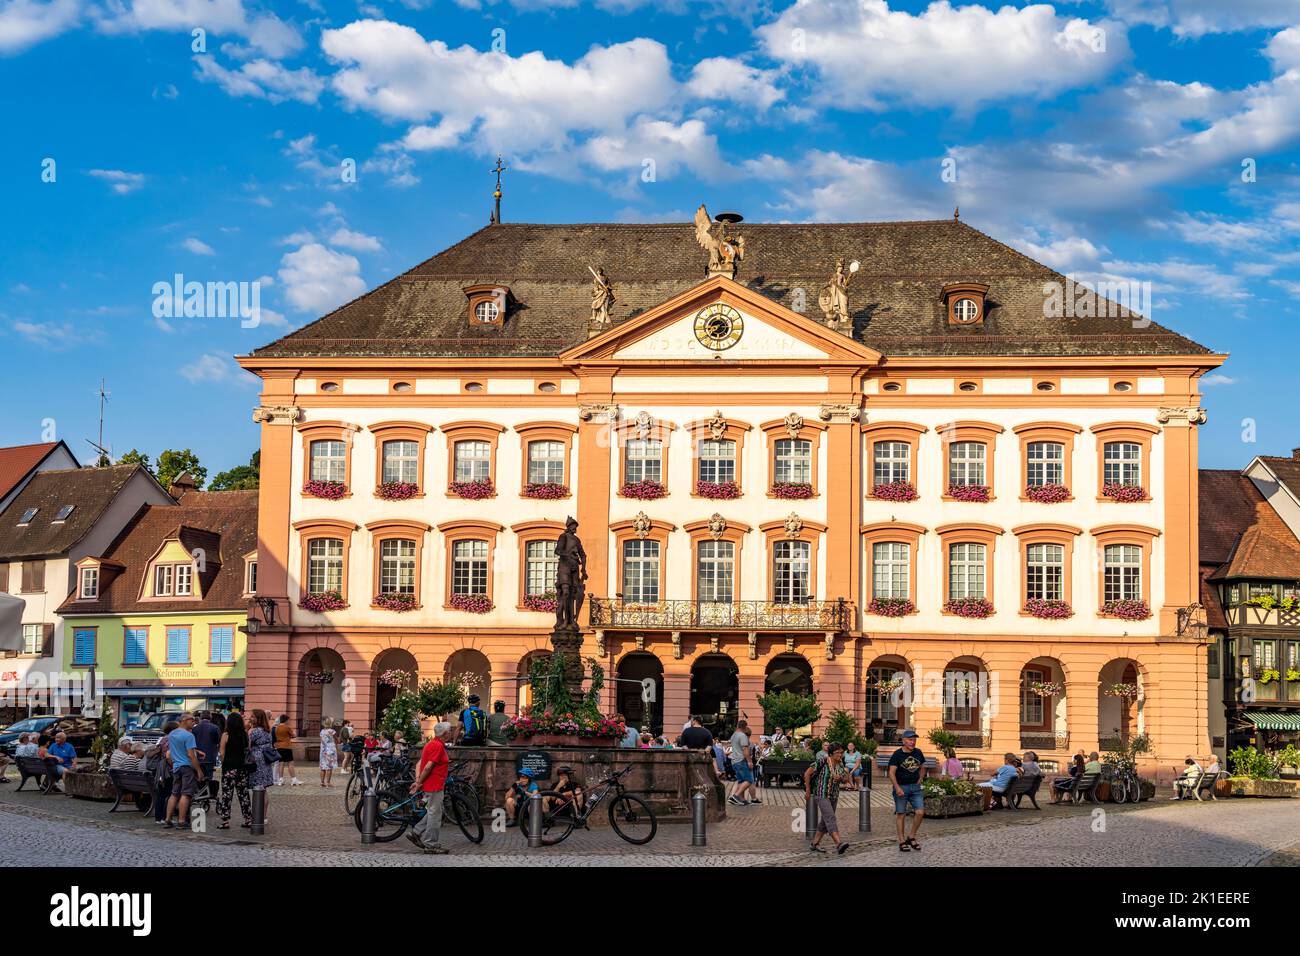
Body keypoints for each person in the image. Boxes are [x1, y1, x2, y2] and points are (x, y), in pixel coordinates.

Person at [407, 721, 452, 854]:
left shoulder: (431, 744)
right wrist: (419, 783)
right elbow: (427, 767)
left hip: (431, 785)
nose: (451, 732)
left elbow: (420, 764)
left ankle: (415, 832)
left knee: (433, 811)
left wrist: (418, 781)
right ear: (444, 734)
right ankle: (430, 844)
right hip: (434, 785)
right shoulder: (437, 746)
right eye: (449, 731)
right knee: (435, 814)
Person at [804, 743, 853, 855]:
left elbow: (845, 779)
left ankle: (814, 844)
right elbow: (807, 773)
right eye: (838, 753)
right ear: (831, 753)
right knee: (830, 817)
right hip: (821, 794)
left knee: (825, 821)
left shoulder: (840, 764)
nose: (840, 755)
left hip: (834, 795)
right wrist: (807, 790)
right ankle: (838, 843)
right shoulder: (823, 761)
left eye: (841, 752)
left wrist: (840, 777)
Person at [888, 728, 926, 852]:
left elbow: (922, 767)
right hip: (901, 787)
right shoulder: (897, 754)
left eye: (914, 740)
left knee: (920, 812)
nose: (913, 742)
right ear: (904, 741)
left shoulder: (918, 752)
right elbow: (891, 773)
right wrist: (897, 787)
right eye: (910, 740)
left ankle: (912, 836)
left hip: (915, 788)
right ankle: (901, 840)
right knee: (901, 814)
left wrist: (920, 779)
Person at [163, 713, 203, 829]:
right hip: (187, 767)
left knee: (174, 794)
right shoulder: (189, 735)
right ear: (184, 720)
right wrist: (199, 770)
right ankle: (181, 821)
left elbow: (174, 751)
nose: (194, 722)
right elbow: (191, 755)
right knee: (186, 794)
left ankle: (168, 819)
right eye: (192, 720)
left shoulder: (172, 734)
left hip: (176, 767)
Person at [216, 708, 252, 829]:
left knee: (227, 795)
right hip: (242, 769)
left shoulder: (226, 735)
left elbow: (221, 753)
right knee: (244, 794)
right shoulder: (245, 735)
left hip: (229, 768)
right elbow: (248, 751)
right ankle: (248, 819)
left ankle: (225, 821)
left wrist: (224, 763)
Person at [146, 721, 178, 824]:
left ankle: (158, 818)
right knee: (170, 794)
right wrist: (174, 768)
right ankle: (166, 817)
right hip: (168, 769)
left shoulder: (162, 739)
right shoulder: (173, 739)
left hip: (160, 769)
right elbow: (169, 756)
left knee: (161, 794)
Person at [247, 710, 276, 821]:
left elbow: (247, 746)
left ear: (258, 718)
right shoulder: (267, 731)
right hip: (266, 760)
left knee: (258, 789)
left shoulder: (254, 731)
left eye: (253, 716)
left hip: (256, 761)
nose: (250, 718)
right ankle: (263, 816)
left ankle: (258, 817)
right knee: (263, 790)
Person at [728, 719, 757, 806]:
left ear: (737, 726)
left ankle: (742, 799)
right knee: (749, 780)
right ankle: (735, 796)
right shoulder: (742, 736)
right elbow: (745, 749)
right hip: (741, 760)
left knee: (741, 781)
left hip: (734, 761)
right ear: (745, 727)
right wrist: (749, 761)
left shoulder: (733, 735)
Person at [193, 711, 221, 796]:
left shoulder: (195, 728)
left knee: (198, 776)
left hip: (196, 757)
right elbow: (217, 741)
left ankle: (199, 793)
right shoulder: (215, 728)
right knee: (208, 777)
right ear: (210, 717)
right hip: (210, 756)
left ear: (201, 717)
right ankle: (207, 795)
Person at [273, 715, 299, 785]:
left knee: (281, 763)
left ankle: (280, 780)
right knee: (290, 763)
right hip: (287, 746)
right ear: (286, 720)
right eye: (288, 720)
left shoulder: (277, 728)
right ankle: (293, 779)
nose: (289, 721)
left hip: (279, 747)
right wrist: (293, 733)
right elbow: (294, 735)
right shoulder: (287, 727)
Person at [319, 717, 338, 787]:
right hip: (330, 750)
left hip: (323, 750)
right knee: (329, 767)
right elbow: (337, 740)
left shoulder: (322, 731)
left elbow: (321, 740)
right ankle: (328, 782)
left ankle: (322, 782)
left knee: (322, 766)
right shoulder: (332, 731)